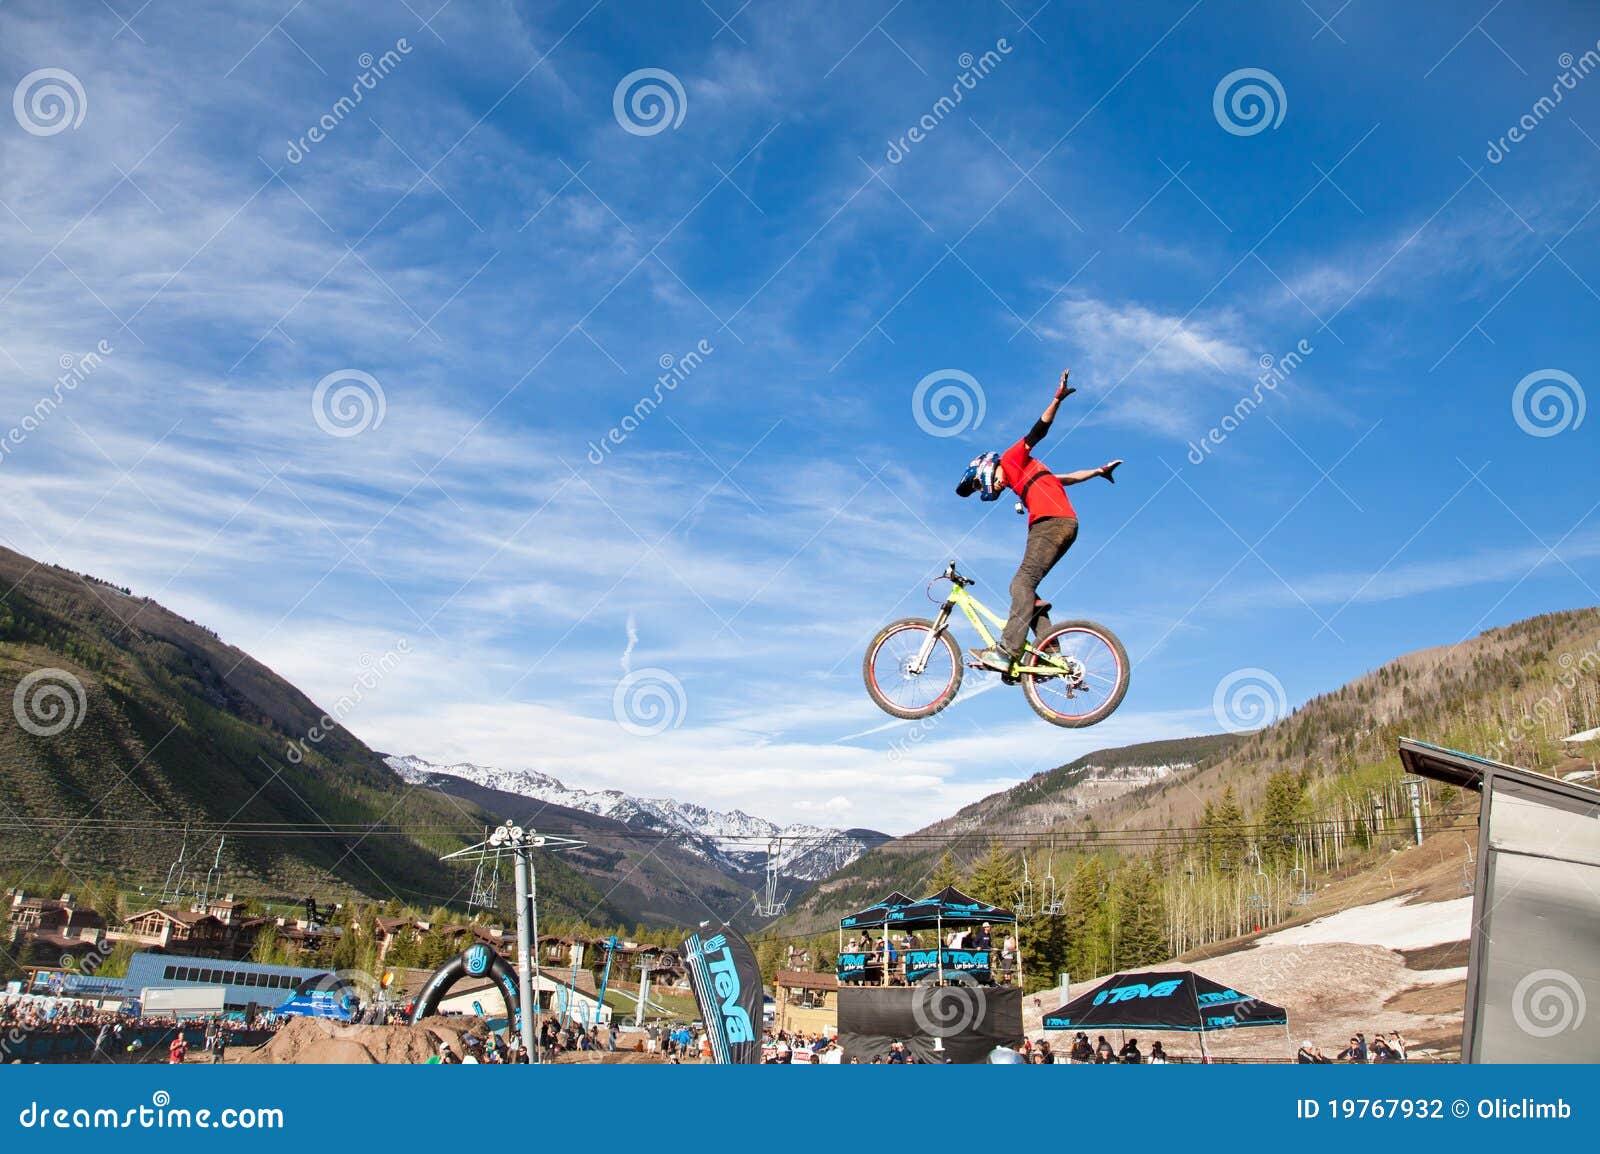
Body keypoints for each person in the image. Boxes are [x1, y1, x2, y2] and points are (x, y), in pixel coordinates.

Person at [956, 370, 1122, 673]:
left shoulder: (1011, 459)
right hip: (1066, 526)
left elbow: (1038, 431)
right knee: (1025, 589)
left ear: (984, 468)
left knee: (1021, 583)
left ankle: (1006, 651)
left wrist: (1056, 400)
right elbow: (1068, 478)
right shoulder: (1028, 477)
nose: (985, 489)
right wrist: (1098, 471)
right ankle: (1049, 652)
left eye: (979, 484)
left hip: (1050, 524)